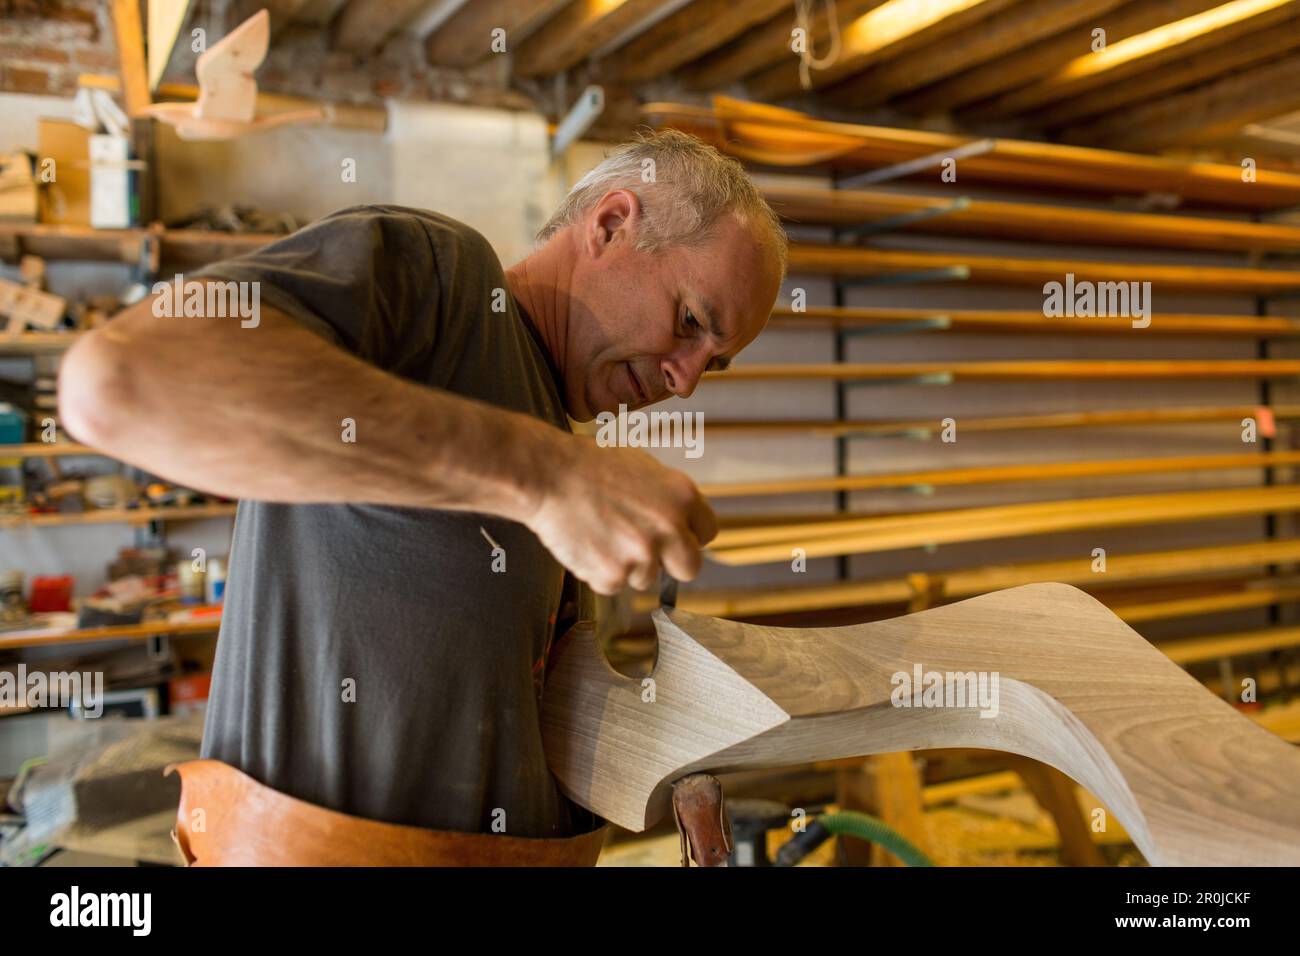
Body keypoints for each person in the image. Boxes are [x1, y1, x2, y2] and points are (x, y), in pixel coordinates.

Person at [58, 129, 788, 840]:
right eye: (691, 321)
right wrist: (546, 476)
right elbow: (120, 380)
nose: (686, 383)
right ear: (609, 225)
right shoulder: (448, 283)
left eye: (714, 365)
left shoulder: (553, 431)